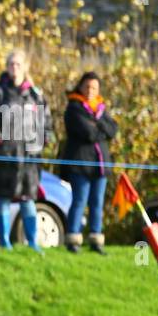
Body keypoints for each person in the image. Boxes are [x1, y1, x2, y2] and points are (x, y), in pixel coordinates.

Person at [0, 49, 50, 251]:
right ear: (7, 67)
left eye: (18, 64)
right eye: (11, 64)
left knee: (28, 200)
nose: (14, 68)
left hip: (28, 158)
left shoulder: (35, 95)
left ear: (25, 67)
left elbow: (46, 122)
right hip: (4, 155)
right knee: (2, 199)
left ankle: (33, 243)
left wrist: (43, 140)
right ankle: (4, 242)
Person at [61, 72, 117, 255]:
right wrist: (100, 128)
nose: (90, 91)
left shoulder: (101, 109)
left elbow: (113, 129)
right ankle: (73, 238)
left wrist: (97, 124)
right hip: (80, 165)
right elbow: (89, 133)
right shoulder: (74, 108)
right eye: (87, 86)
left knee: (97, 203)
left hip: (100, 166)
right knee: (79, 201)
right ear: (80, 87)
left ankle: (96, 239)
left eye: (94, 87)